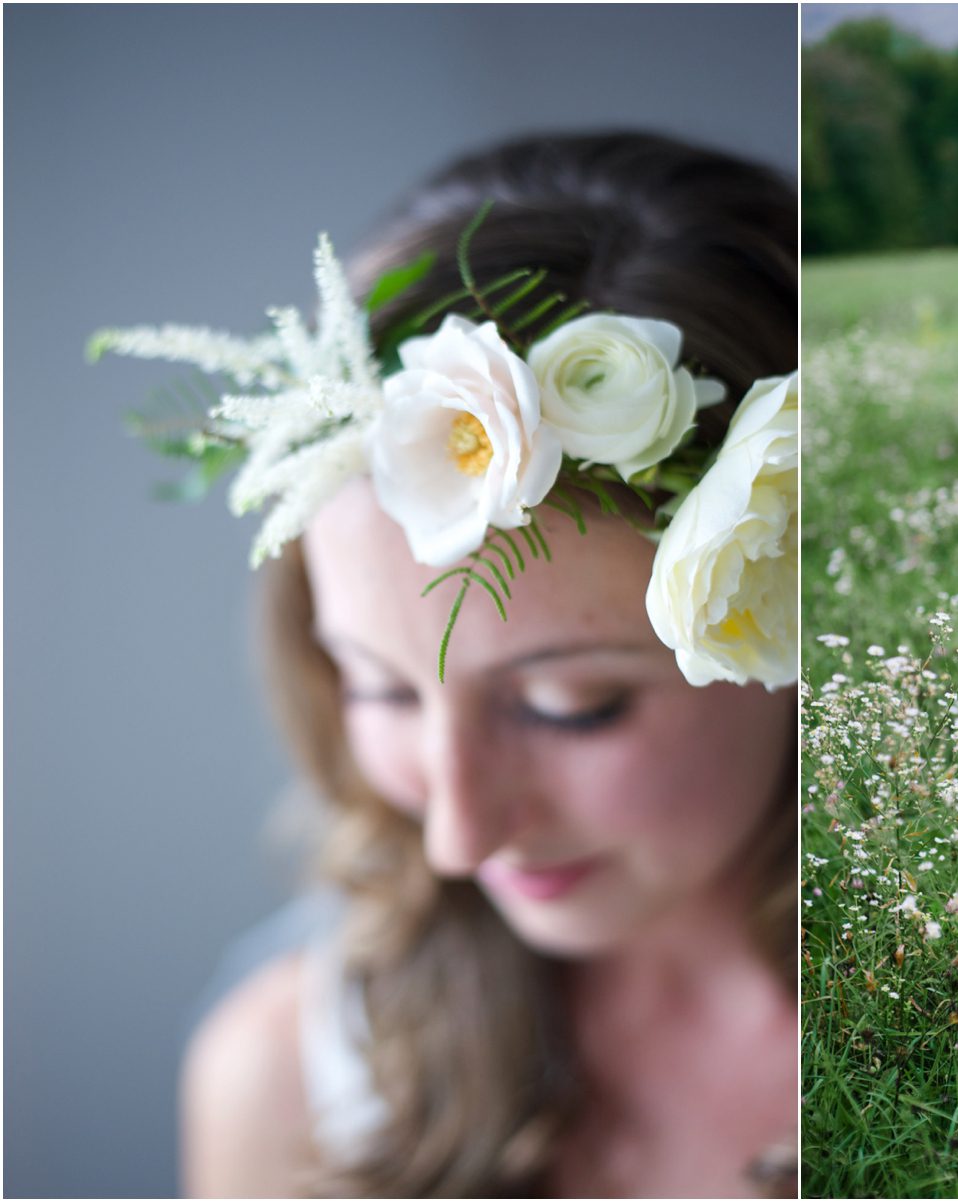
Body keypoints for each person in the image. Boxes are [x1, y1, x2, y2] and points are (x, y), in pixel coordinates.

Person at [100, 132, 798, 1197]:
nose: (459, 834)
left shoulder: (945, 1018)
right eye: (378, 686)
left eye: (575, 704)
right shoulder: (284, 1079)